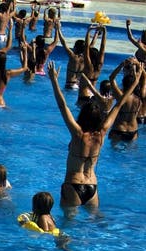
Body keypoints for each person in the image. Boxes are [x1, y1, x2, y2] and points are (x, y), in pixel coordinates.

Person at [47, 61, 141, 211]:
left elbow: (62, 106)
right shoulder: (102, 134)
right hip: (92, 185)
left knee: (68, 223)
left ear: (83, 116)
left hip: (74, 184)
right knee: (94, 221)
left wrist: (54, 81)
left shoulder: (78, 133)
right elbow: (118, 105)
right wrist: (135, 82)